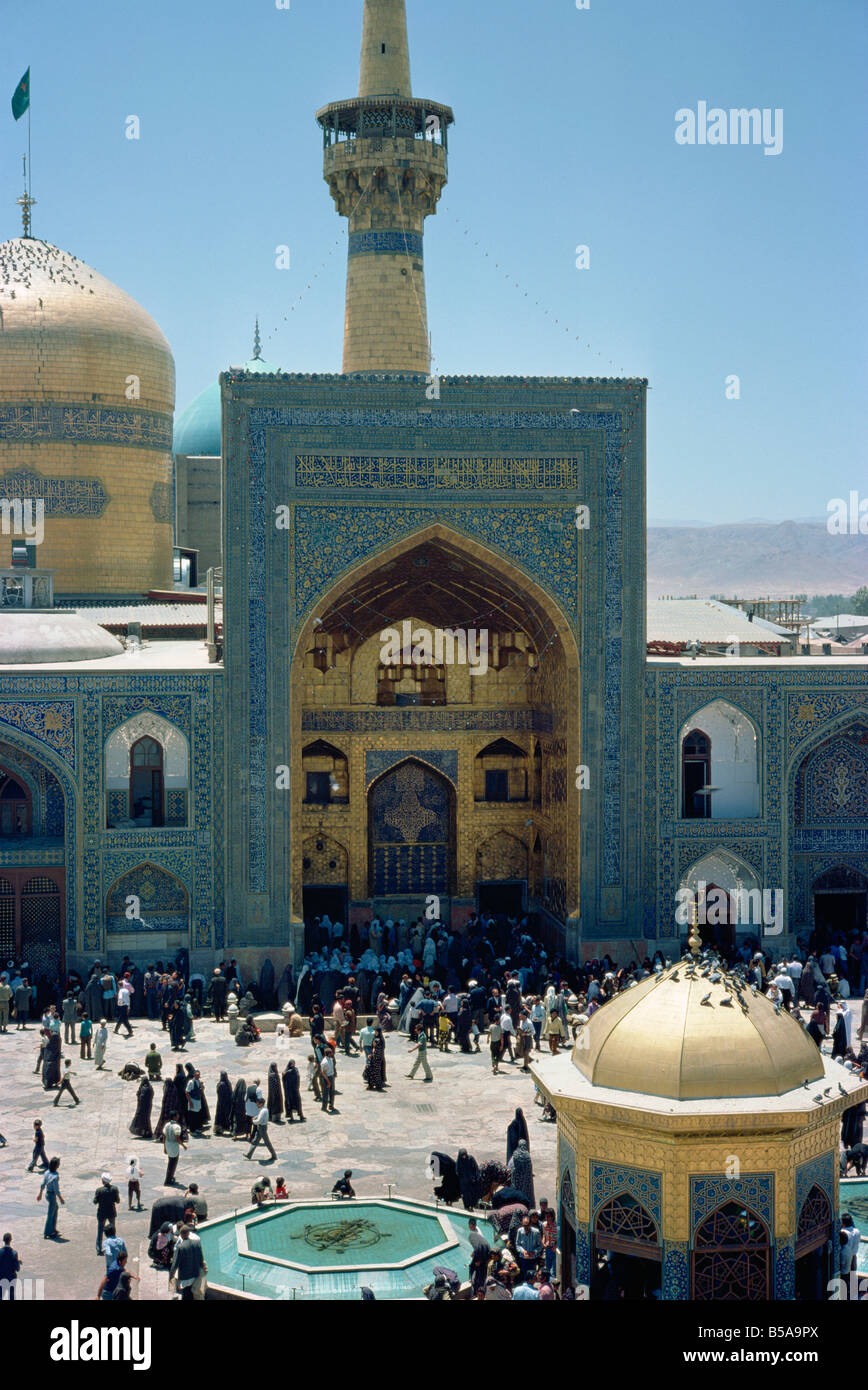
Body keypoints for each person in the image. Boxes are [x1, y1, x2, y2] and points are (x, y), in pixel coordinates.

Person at [169, 1225, 206, 1301]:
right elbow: (201, 1259)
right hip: (196, 1274)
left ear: (181, 1235)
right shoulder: (197, 1243)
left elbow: (175, 1264)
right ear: (189, 1233)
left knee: (186, 1295)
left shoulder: (180, 1247)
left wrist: (171, 1276)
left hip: (185, 1277)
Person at [37, 1157, 65, 1240]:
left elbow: (43, 1184)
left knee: (55, 1209)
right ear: (56, 1166)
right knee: (50, 1214)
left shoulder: (46, 1172)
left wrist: (40, 1194)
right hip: (52, 1196)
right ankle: (48, 1232)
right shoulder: (55, 1176)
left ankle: (53, 1228)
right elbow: (56, 1190)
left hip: (47, 1194)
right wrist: (61, 1198)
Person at [94, 1172, 121, 1254]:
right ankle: (114, 1246)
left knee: (100, 1231)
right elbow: (118, 1201)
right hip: (111, 1212)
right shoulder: (115, 1189)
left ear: (103, 1181)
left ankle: (99, 1248)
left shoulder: (99, 1190)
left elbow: (95, 1201)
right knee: (112, 1230)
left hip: (102, 1213)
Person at [163, 1113, 186, 1186]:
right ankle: (168, 1180)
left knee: (171, 1162)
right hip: (174, 1147)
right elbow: (177, 1138)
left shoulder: (166, 1125)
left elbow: (164, 1136)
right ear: (175, 1117)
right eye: (177, 1115)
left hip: (168, 1145)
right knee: (173, 1163)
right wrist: (183, 1145)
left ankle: (170, 1177)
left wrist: (164, 1147)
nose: (178, 1116)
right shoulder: (177, 1127)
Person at [0, 1234, 21, 1300]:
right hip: (11, 1277)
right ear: (11, 1240)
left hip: (1, 1277)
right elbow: (17, 1269)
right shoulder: (14, 1253)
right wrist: (18, 1262)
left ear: (3, 1240)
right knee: (11, 1295)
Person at [320, 1047, 336, 1112]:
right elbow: (323, 1073)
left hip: (331, 1076)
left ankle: (331, 1105)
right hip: (327, 1078)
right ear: (328, 1054)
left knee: (332, 1092)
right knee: (325, 1093)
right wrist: (328, 1082)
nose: (332, 1053)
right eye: (331, 1052)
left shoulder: (330, 1059)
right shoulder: (324, 1062)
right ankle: (324, 1107)